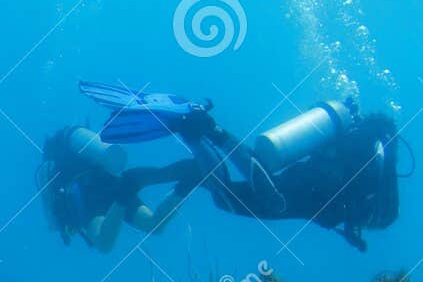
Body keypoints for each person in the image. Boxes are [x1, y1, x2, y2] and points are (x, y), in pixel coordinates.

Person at [78, 81, 405, 251]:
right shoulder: (379, 195)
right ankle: (196, 129)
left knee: (254, 177)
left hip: (318, 182)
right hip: (321, 190)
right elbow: (377, 213)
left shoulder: (370, 152)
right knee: (244, 199)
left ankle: (205, 134)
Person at [37, 123, 199, 251]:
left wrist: (64, 227)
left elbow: (52, 216)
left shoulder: (48, 174)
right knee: (153, 225)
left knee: (103, 244)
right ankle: (188, 183)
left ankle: (127, 190)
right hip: (110, 179)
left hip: (89, 192)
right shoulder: (67, 162)